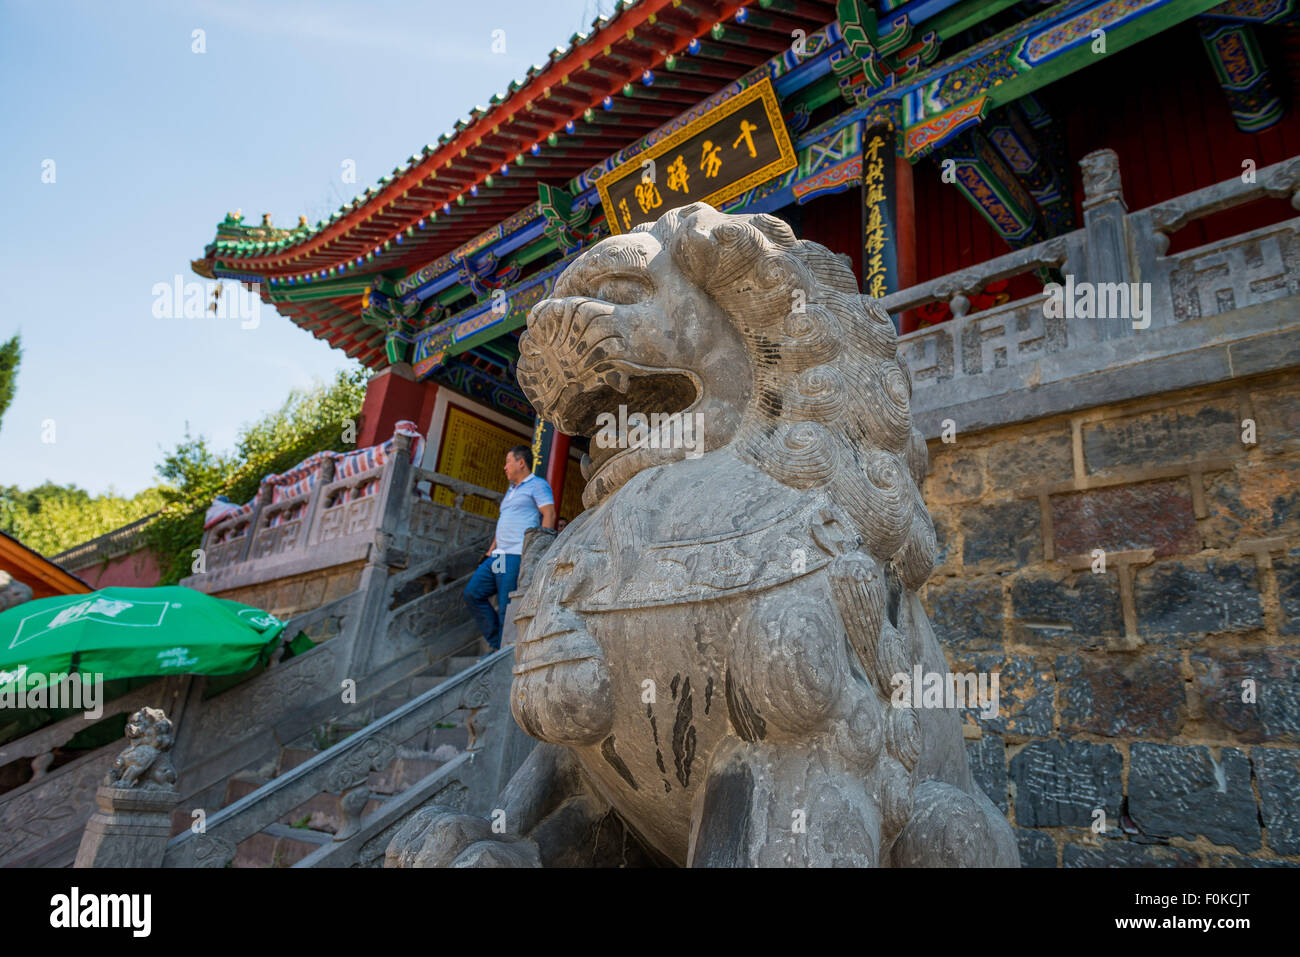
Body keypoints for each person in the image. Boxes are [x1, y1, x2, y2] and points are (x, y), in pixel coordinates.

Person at [463, 445, 555, 655]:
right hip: (499, 555)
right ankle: (496, 642)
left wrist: (540, 550)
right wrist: (492, 548)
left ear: (521, 462)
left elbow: (549, 514)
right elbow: (506, 519)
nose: (505, 467)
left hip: (516, 554)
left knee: (506, 605)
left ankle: (504, 653)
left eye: (508, 462)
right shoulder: (511, 490)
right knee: (473, 593)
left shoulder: (537, 485)